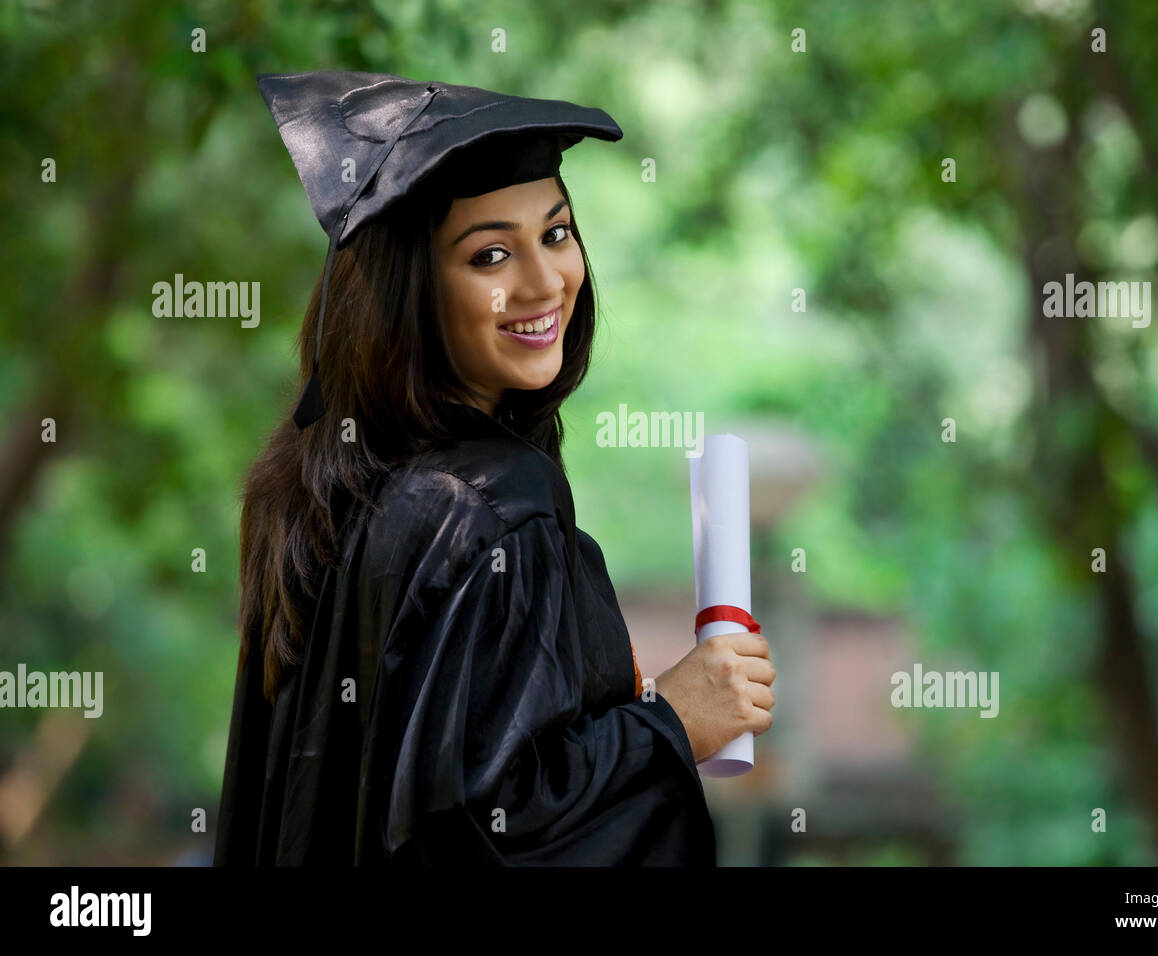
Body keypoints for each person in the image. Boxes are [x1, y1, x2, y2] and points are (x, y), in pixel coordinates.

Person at [213, 71, 776, 865]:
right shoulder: (489, 506)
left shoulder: (320, 485)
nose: (545, 282)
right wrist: (672, 725)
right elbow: (490, 831)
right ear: (408, 287)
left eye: (555, 233)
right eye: (489, 255)